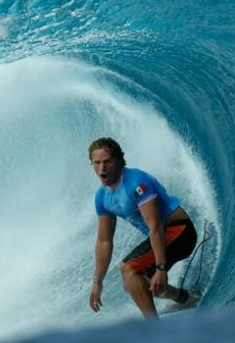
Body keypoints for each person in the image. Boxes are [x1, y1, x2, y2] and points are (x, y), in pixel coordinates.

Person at [87, 137, 202, 319]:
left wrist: (161, 269)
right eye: (97, 163)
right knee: (136, 284)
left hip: (180, 232)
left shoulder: (136, 183)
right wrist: (97, 281)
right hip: (162, 237)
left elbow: (155, 225)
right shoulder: (102, 197)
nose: (102, 168)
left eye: (107, 161)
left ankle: (153, 328)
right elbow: (104, 241)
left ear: (118, 160)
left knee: (129, 269)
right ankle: (186, 298)